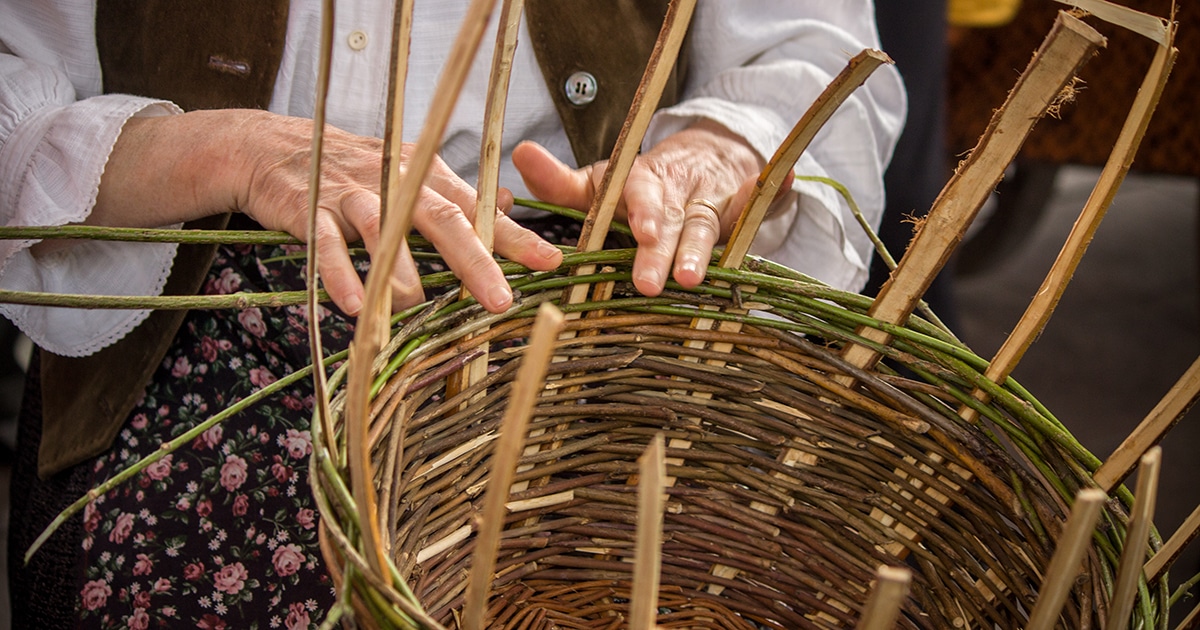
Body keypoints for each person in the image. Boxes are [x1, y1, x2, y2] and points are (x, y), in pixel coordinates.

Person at [0, 1, 904, 627]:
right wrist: (229, 149)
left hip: (577, 316)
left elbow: (807, 45)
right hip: (199, 317)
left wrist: (717, 149)